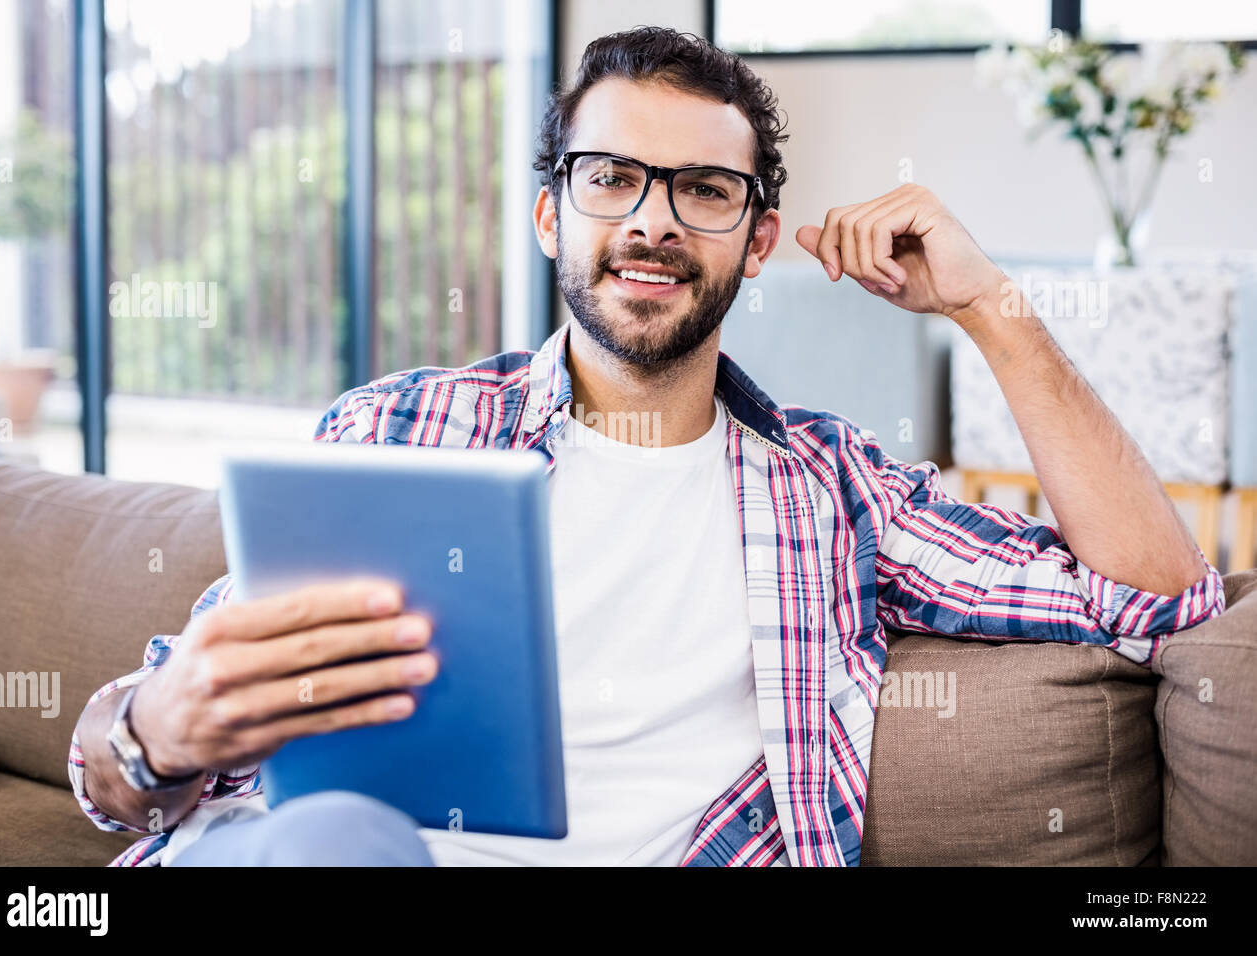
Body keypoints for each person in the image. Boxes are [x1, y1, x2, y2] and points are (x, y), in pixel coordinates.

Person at [69, 26, 1224, 867]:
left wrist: (989, 306)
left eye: (703, 189)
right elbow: (129, 768)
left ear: (758, 239)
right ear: (548, 215)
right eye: (609, 176)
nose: (652, 219)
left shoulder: (833, 486)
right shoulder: (394, 428)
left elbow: (1160, 594)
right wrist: (152, 731)